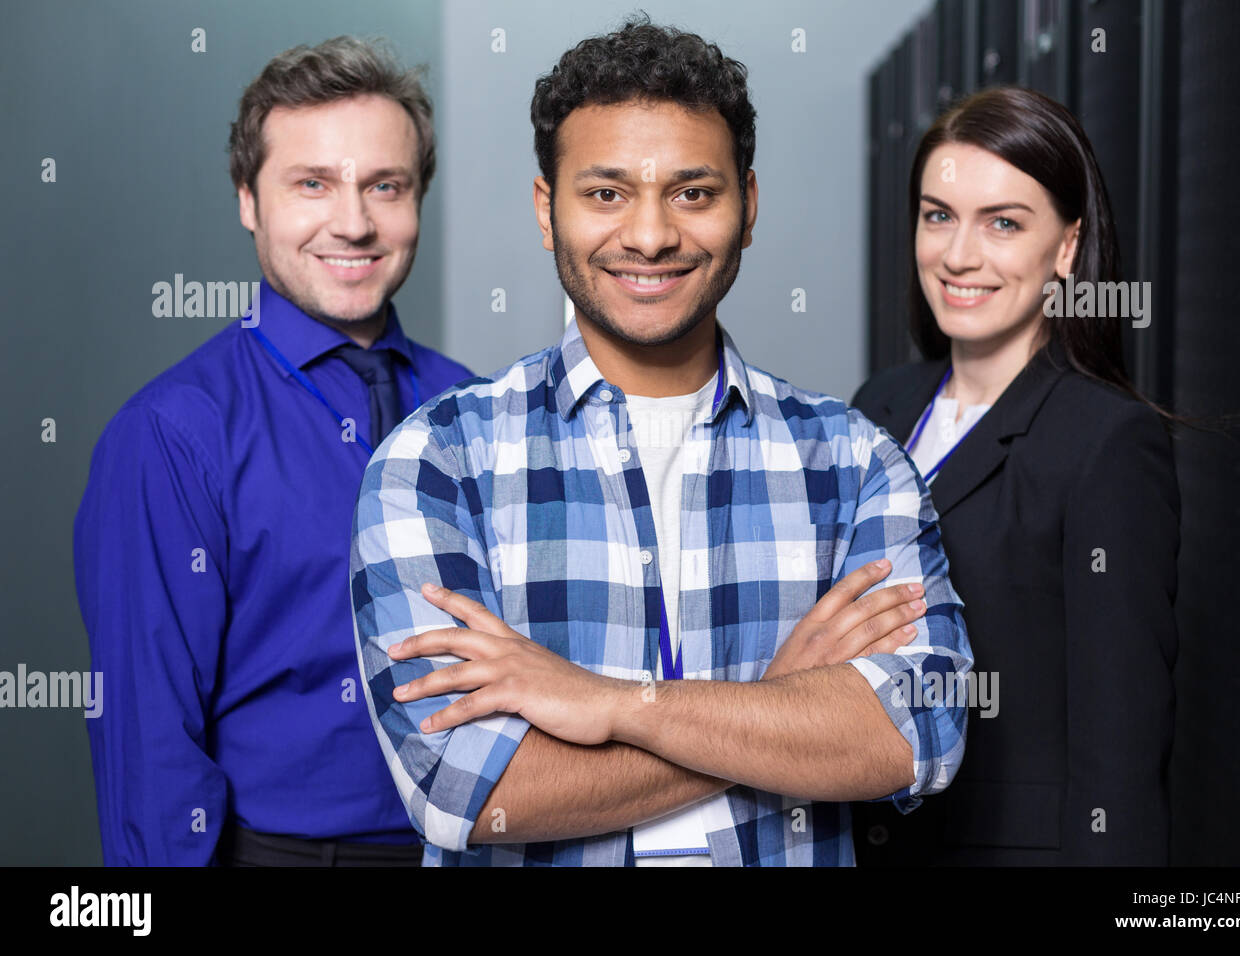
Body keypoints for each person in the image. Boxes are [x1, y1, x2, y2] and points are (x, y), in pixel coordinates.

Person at [350, 16, 972, 867]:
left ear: (747, 207)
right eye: (605, 193)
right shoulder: (436, 462)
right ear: (547, 209)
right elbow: (468, 790)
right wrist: (777, 703)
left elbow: (918, 735)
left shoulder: (855, 462)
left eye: (694, 192)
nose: (649, 236)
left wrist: (610, 703)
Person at [73, 36, 473, 866]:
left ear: (418, 200)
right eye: (312, 184)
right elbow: (149, 743)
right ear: (248, 200)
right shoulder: (172, 432)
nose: (355, 222)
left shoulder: (475, 408)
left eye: (385, 186)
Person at [851, 85, 1179, 865]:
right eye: (939, 215)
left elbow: (1120, 757)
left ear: (1066, 248)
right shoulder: (880, 403)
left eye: (1003, 223)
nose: (959, 254)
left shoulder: (1106, 442)